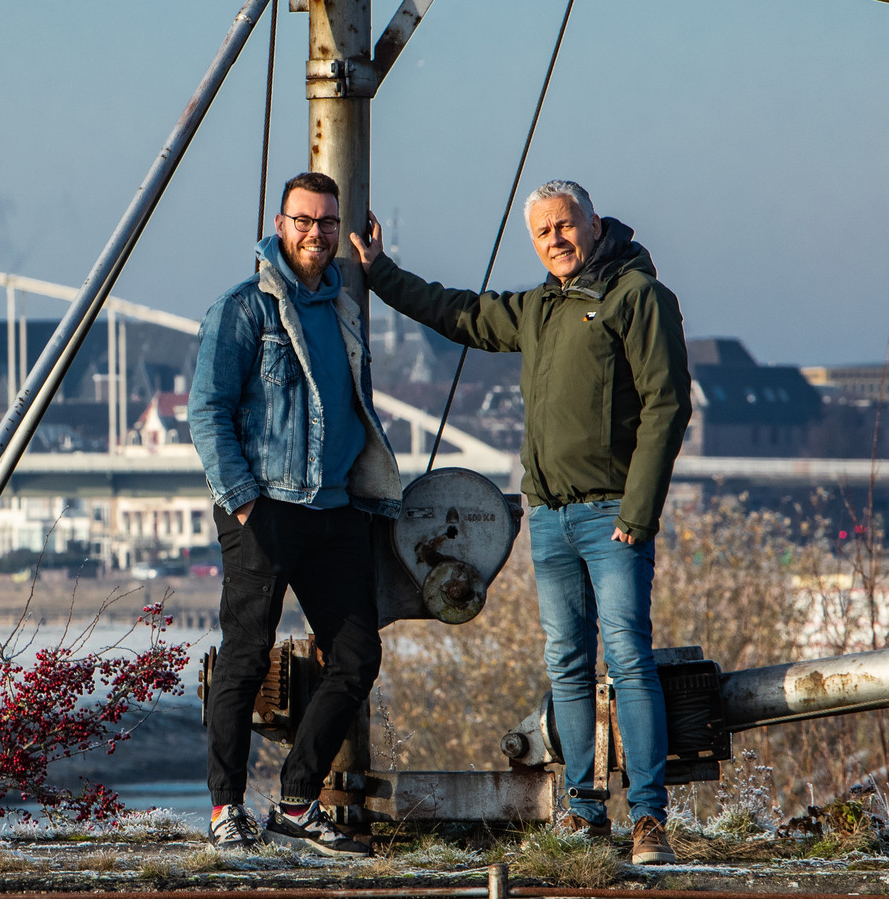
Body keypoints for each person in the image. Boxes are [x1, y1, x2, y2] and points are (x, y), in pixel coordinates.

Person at [350, 180, 690, 865]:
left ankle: (649, 818)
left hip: (611, 517)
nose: (555, 240)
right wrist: (378, 271)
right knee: (565, 664)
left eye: (565, 226)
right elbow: (457, 313)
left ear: (593, 224)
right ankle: (584, 810)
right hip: (549, 518)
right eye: (542, 234)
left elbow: (667, 405)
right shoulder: (538, 308)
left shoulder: (636, 297)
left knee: (626, 660)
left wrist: (638, 510)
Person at [188, 171, 402, 857]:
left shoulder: (342, 305)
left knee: (356, 655)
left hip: (335, 509)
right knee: (245, 660)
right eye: (304, 220)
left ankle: (295, 800)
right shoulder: (244, 308)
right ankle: (225, 809)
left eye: (327, 222)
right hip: (265, 507)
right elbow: (207, 411)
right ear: (279, 224)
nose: (316, 232)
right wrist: (244, 498)